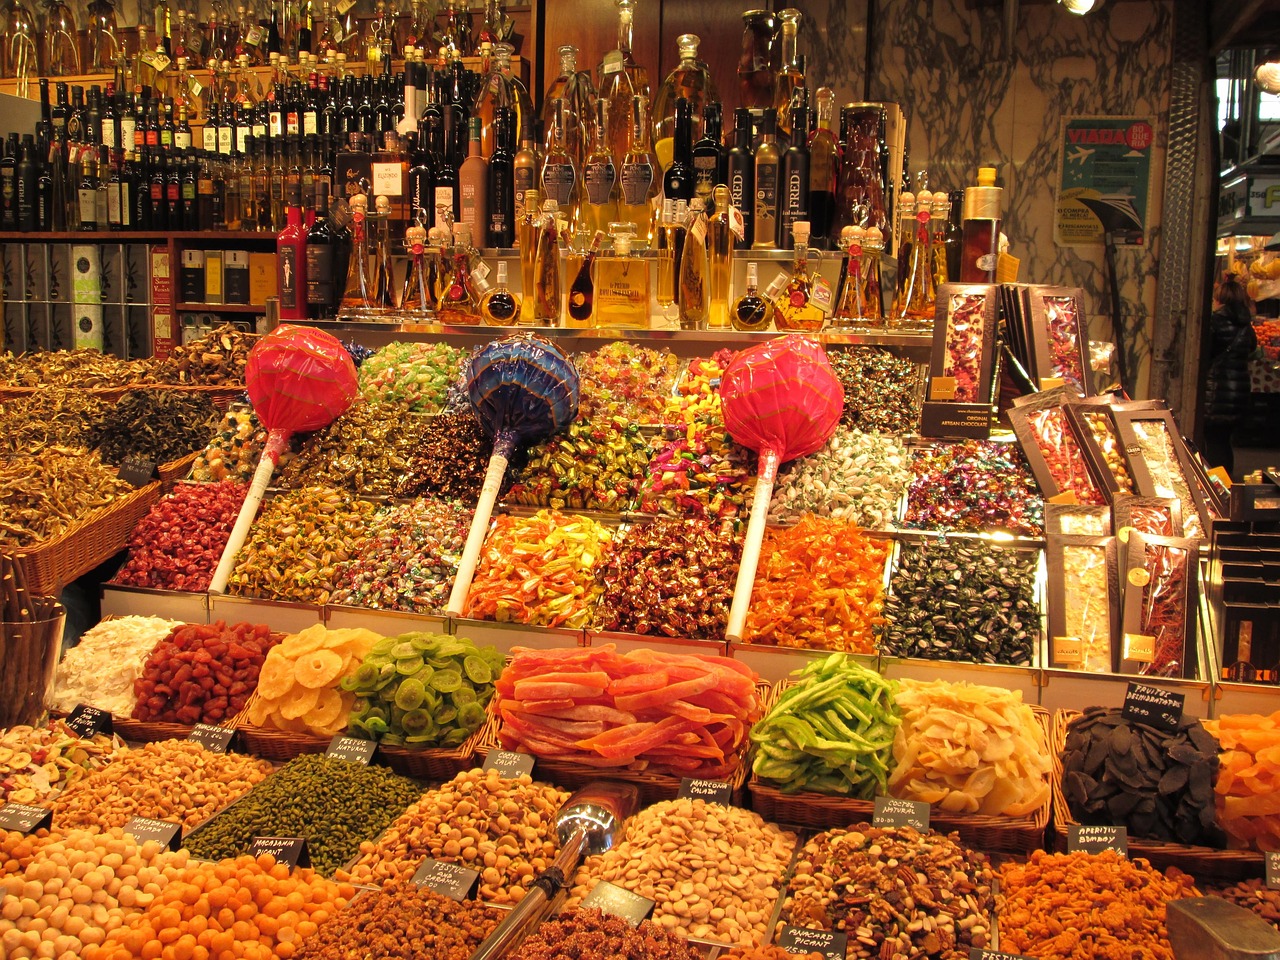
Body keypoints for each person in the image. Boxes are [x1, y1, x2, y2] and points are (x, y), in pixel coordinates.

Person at [1202, 271, 1258, 477]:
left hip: (1216, 392)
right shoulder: (1246, 325)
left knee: (1213, 441)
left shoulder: (1215, 322)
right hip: (1238, 393)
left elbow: (1205, 353)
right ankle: (1225, 483)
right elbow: (1252, 350)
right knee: (1224, 441)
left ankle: (1216, 486)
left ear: (1220, 300)